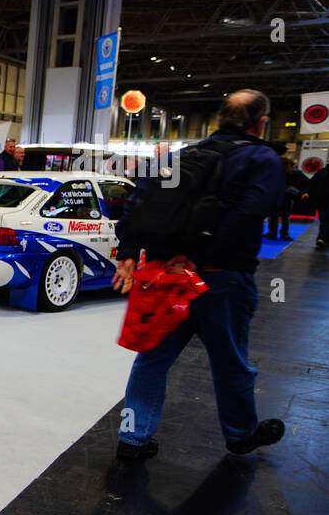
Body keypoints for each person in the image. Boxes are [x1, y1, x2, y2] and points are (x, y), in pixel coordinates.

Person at [112, 89, 286, 460]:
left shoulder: (181, 156)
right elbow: (248, 214)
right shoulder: (261, 158)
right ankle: (240, 435)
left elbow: (137, 203)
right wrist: (195, 256)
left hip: (162, 277)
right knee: (231, 362)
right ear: (261, 123)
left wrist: (128, 252)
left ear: (218, 118)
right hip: (220, 280)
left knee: (151, 360)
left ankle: (133, 438)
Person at [266, 157, 302, 241]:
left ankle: (272, 233)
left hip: (276, 196)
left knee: (273, 216)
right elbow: (301, 183)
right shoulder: (294, 173)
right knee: (285, 217)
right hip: (288, 198)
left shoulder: (274, 172)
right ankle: (284, 234)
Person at [308, 163, 328, 250]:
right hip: (324, 201)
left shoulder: (321, 172)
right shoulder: (321, 173)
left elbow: (311, 184)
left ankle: (322, 238)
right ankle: (323, 238)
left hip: (321, 201)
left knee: (324, 220)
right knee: (326, 221)